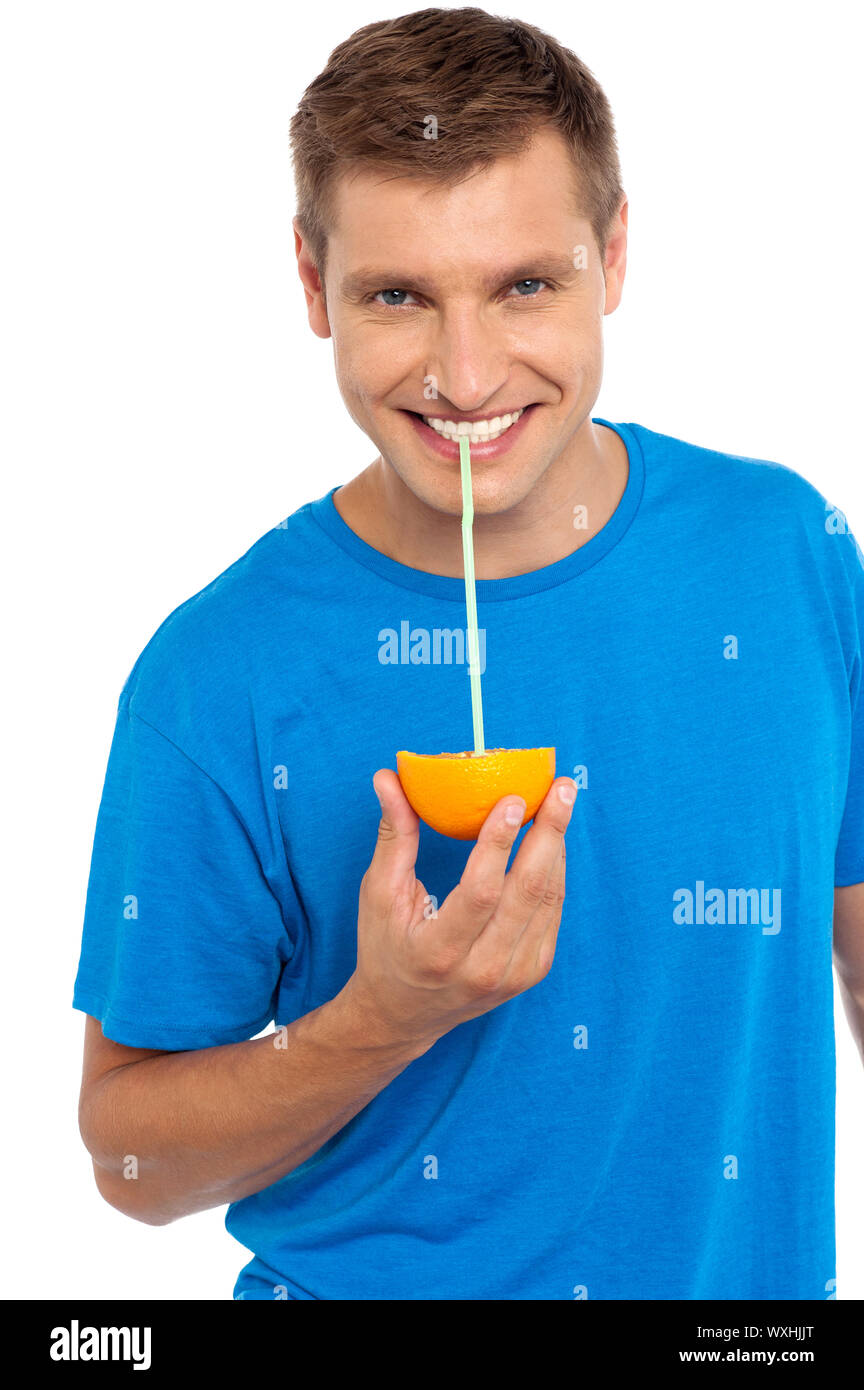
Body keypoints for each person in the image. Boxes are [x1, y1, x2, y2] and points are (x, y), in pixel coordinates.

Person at [73, 7, 864, 1300]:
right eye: (396, 296)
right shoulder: (213, 680)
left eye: (523, 286)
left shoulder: (790, 552)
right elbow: (126, 1157)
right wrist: (385, 1017)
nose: (465, 373)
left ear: (614, 256)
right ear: (308, 284)